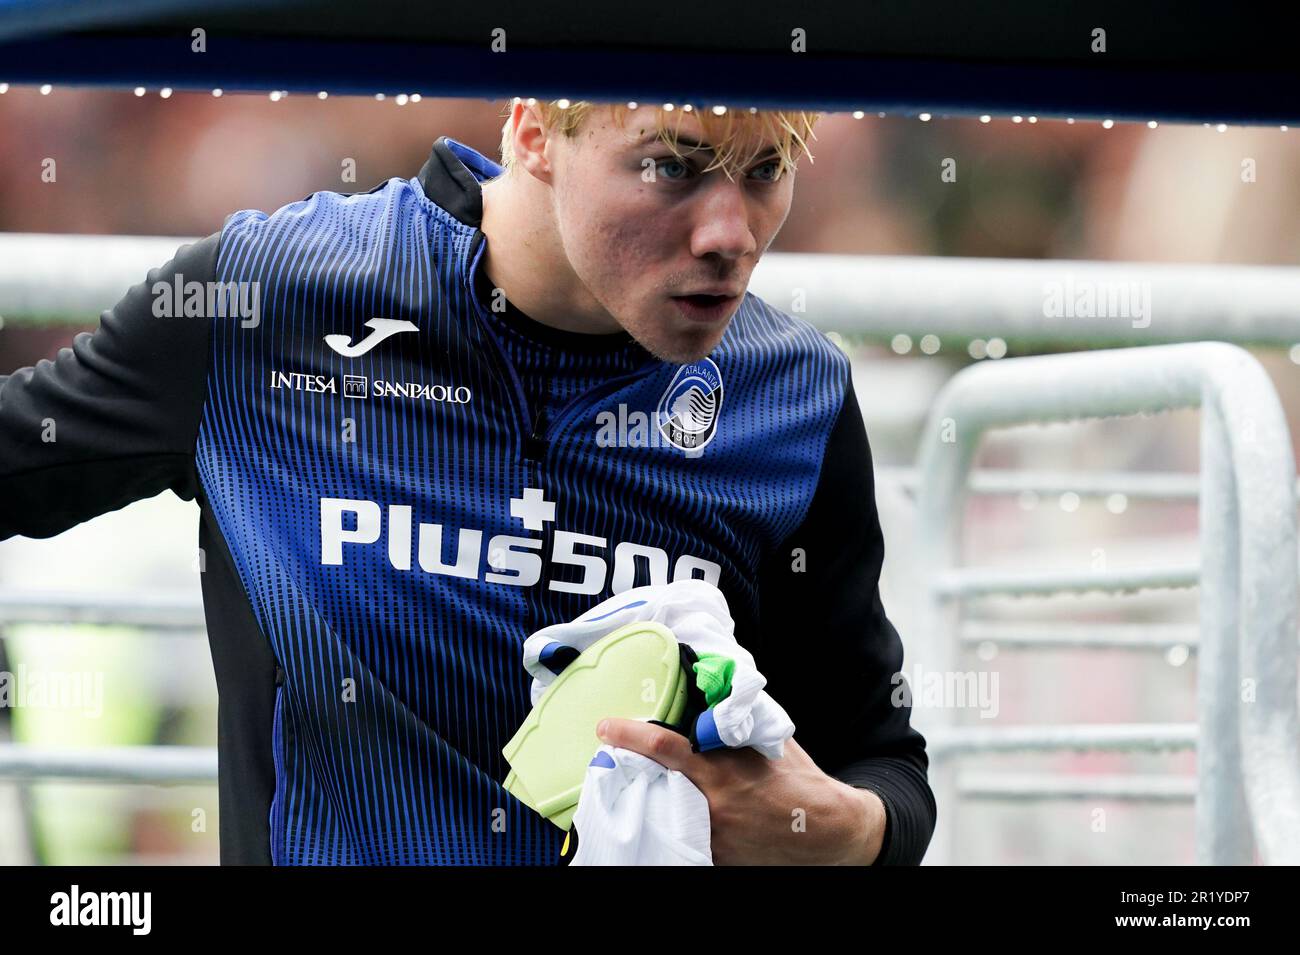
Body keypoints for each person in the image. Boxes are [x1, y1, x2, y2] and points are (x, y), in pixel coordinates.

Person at [0, 97, 936, 865]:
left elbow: (882, 763)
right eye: (672, 165)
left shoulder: (794, 394)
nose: (729, 233)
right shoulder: (269, 299)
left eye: (767, 170)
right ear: (533, 133)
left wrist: (843, 831)